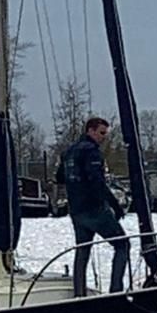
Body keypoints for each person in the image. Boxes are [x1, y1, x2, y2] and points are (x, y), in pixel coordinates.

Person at [56, 117, 129, 298]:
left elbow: (59, 178)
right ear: (91, 130)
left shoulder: (69, 152)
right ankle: (116, 292)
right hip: (94, 210)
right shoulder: (92, 152)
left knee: (83, 250)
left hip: (76, 211)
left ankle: (79, 293)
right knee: (122, 244)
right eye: (102, 133)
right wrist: (116, 206)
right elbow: (97, 182)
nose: (104, 137)